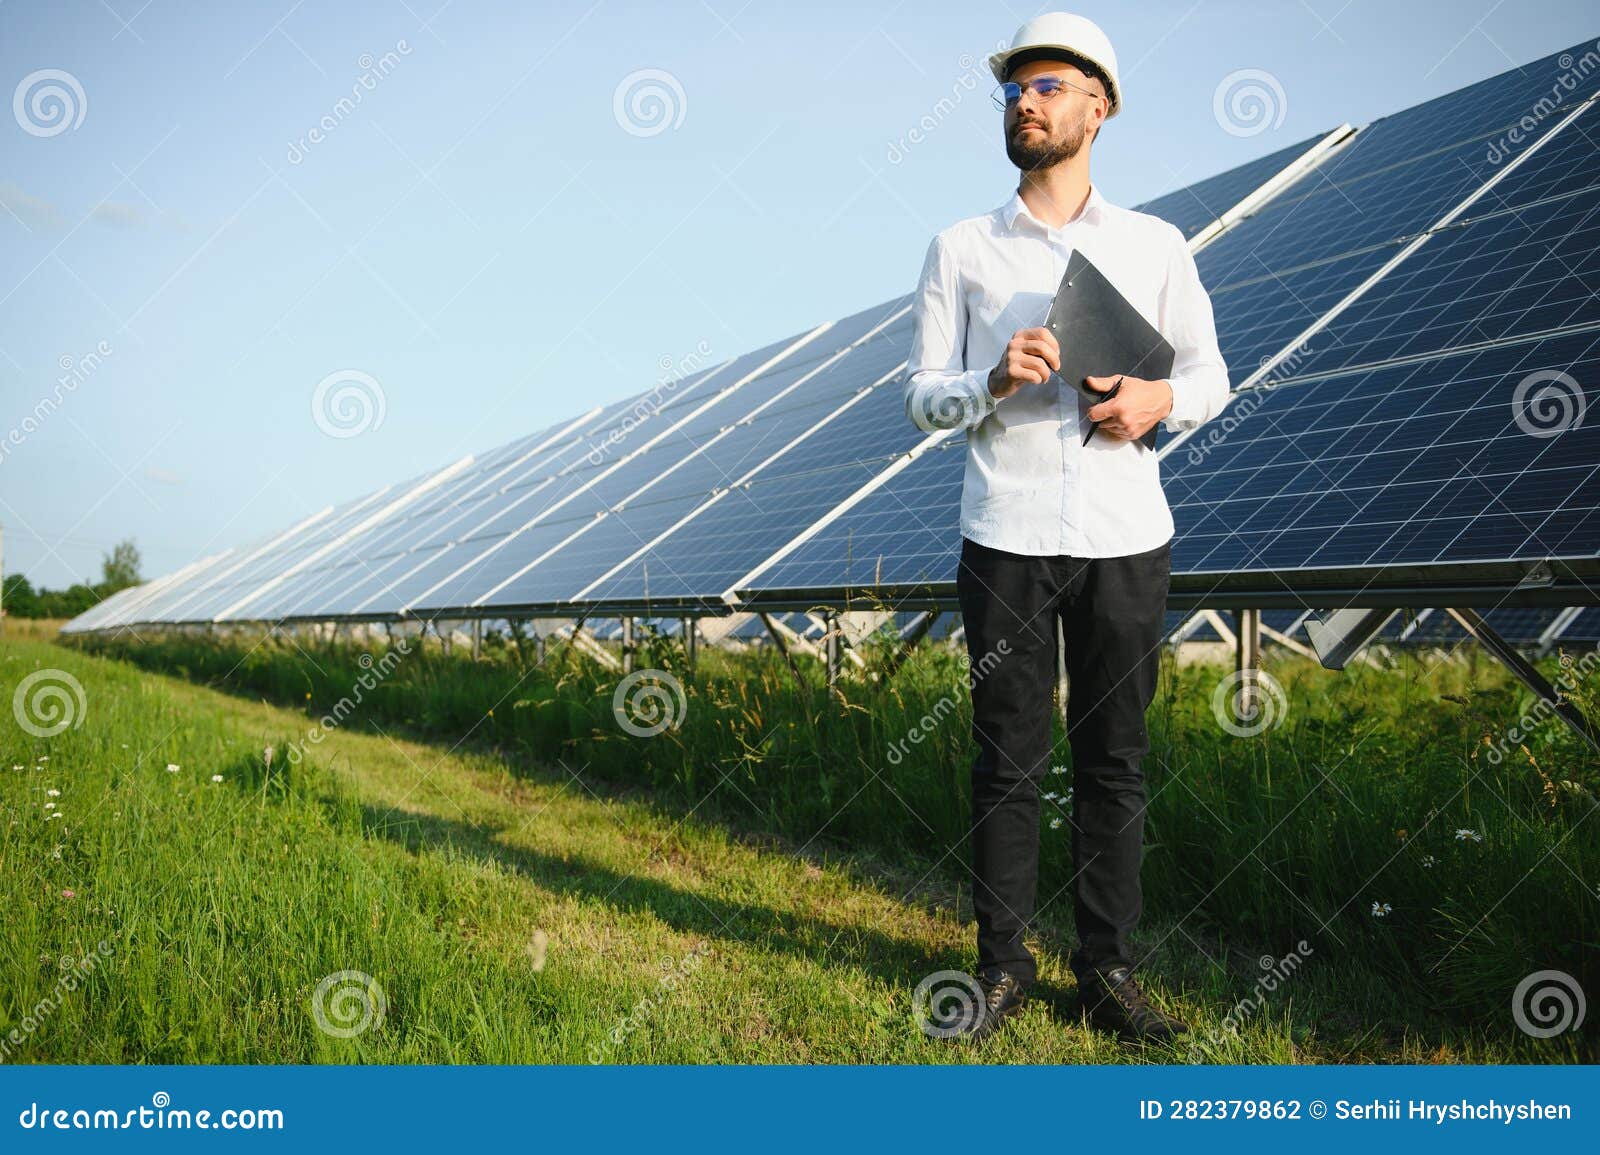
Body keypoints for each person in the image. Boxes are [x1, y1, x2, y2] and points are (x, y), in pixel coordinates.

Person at [905, 12, 1230, 1043]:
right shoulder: (961, 248)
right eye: (1013, 91)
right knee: (1006, 756)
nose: (1023, 103)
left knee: (1115, 757)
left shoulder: (1154, 245)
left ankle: (1108, 974)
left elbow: (1209, 373)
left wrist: (1154, 403)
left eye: (1045, 87)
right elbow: (919, 401)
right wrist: (989, 380)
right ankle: (999, 967)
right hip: (1003, 528)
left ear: (1100, 107)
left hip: (1127, 530)